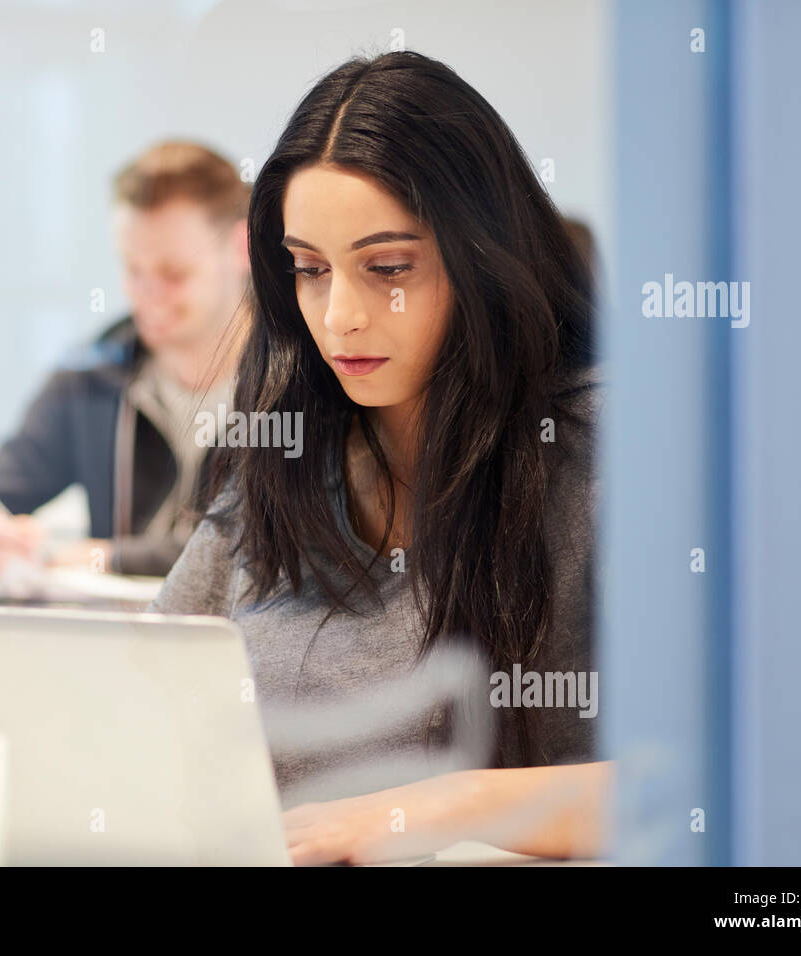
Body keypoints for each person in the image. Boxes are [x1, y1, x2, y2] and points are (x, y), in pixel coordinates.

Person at [149, 51, 611, 864]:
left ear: (480, 257)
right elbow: (141, 697)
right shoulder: (289, 452)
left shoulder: (600, 452)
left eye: (388, 268)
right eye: (310, 271)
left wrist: (434, 808)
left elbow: (714, 781)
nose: (340, 317)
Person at [0, 141, 250, 577]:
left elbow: (258, 549)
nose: (149, 297)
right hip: (122, 642)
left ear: (241, 247)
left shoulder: (299, 380)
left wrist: (106, 557)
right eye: (133, 271)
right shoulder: (93, 379)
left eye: (174, 274)